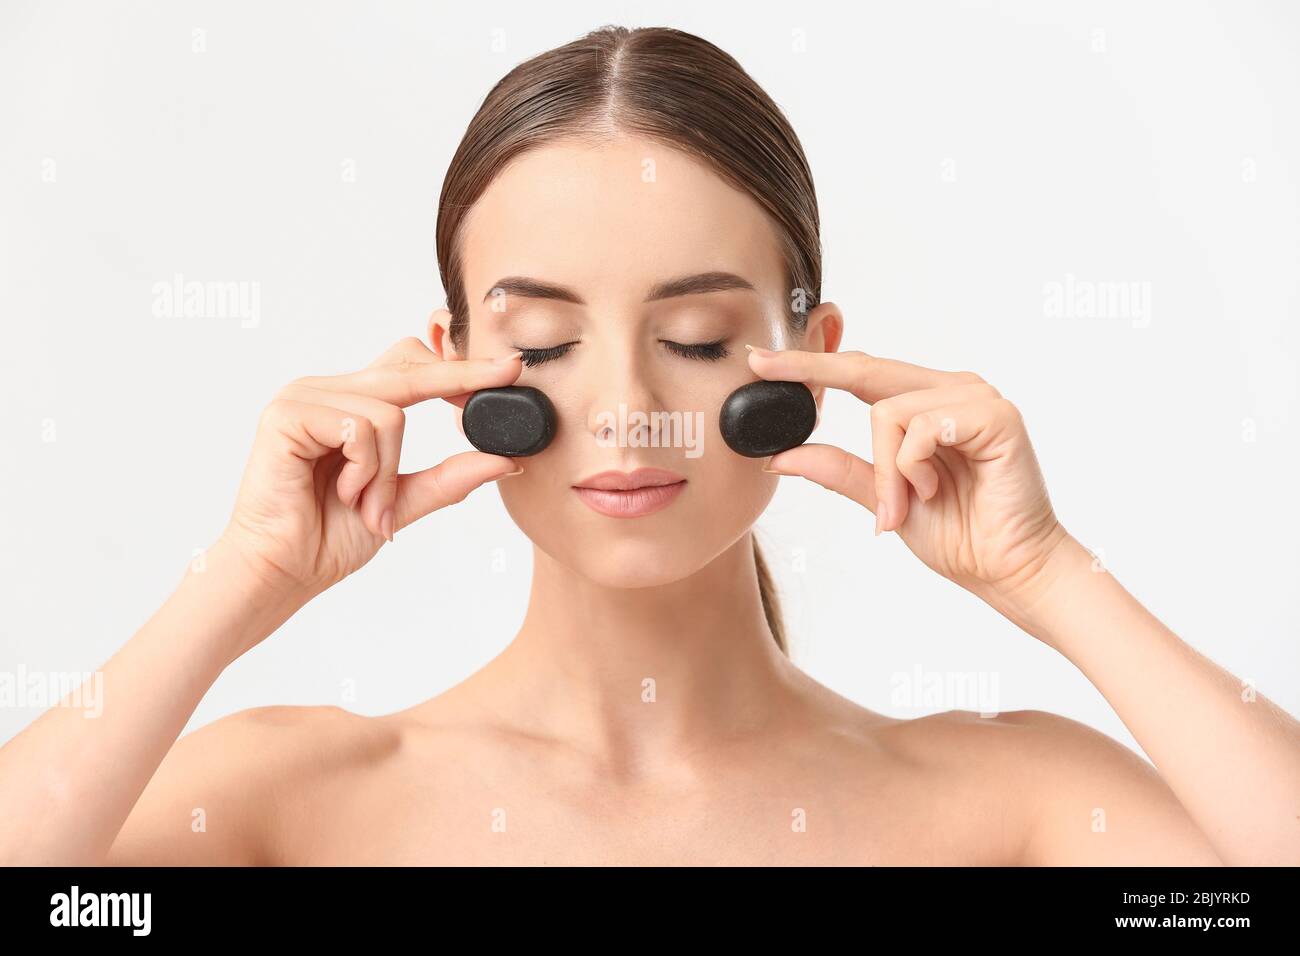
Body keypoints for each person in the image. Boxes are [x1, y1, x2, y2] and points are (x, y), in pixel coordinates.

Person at [2, 25, 1295, 866]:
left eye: (692, 333)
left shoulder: (1006, 810)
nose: (623, 412)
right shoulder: (288, 802)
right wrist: (241, 578)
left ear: (812, 352)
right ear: (448, 368)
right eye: (547, 346)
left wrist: (1048, 574)